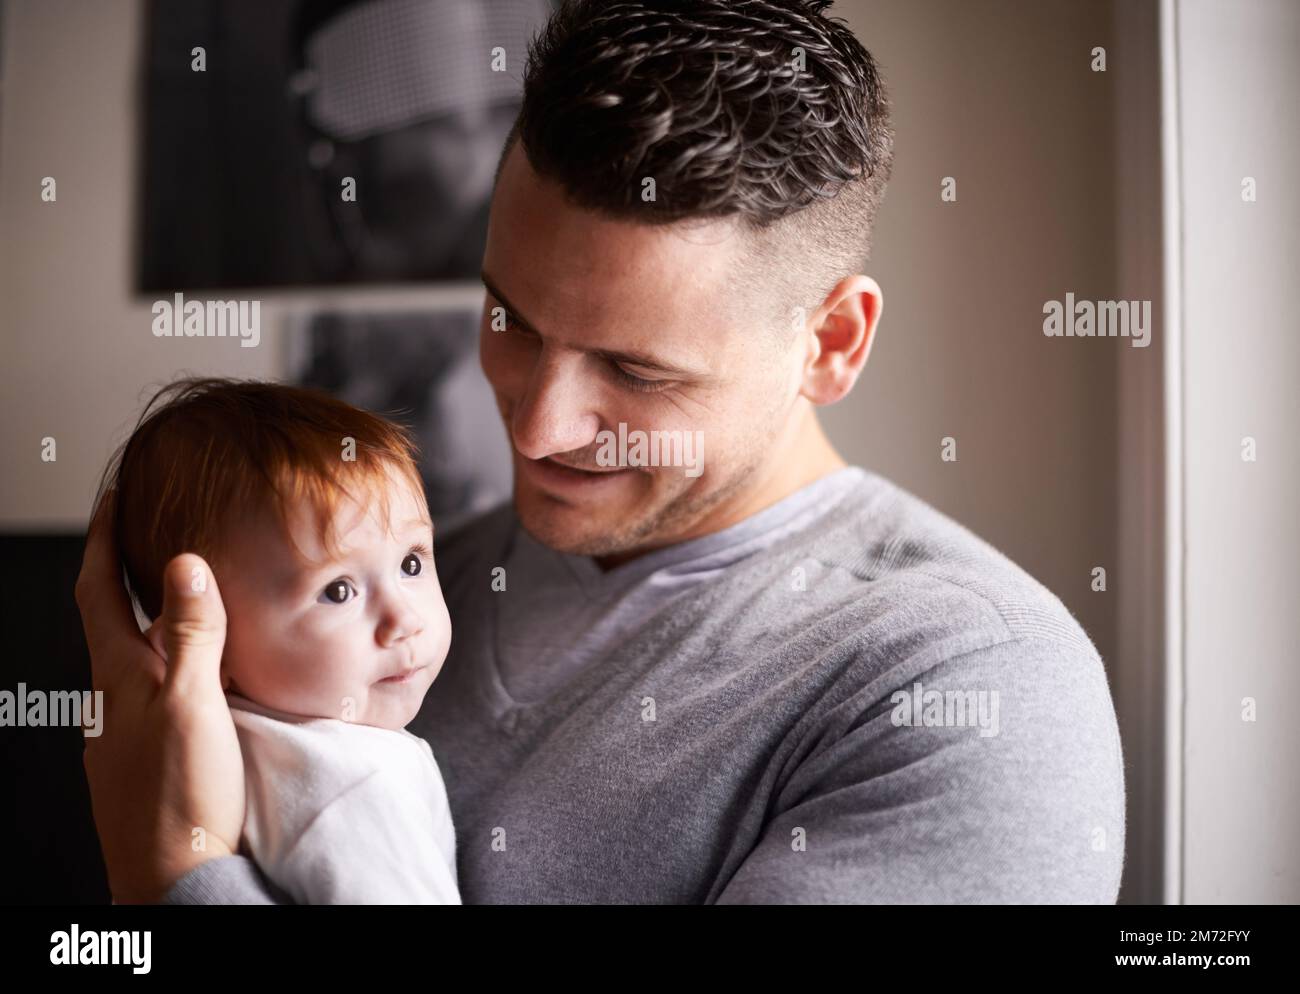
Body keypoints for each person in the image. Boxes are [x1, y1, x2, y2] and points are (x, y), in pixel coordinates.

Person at [77, 0, 1124, 904]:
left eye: (638, 371)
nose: (534, 430)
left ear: (832, 342)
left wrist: (174, 867)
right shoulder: (416, 586)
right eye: (511, 321)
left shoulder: (966, 692)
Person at [92, 378, 459, 903]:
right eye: (337, 590)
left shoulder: (182, 749)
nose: (404, 619)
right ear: (195, 643)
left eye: (411, 562)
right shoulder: (359, 780)